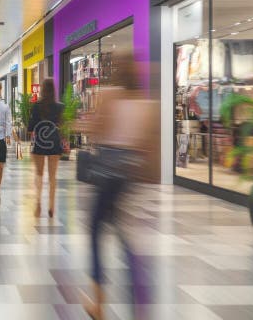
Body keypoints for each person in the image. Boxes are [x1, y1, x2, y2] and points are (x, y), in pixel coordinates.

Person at [77, 56, 156, 320]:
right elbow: (149, 148)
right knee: (124, 235)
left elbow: (96, 131)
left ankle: (98, 304)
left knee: (96, 231)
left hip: (107, 173)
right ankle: (138, 299)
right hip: (129, 175)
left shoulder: (109, 96)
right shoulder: (147, 105)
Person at [28, 78, 64, 218]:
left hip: (40, 143)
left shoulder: (37, 106)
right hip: (54, 142)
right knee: (52, 176)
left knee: (39, 174)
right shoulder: (60, 107)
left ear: (42, 89)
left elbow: (30, 128)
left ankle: (38, 203)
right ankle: (52, 206)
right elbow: (61, 126)